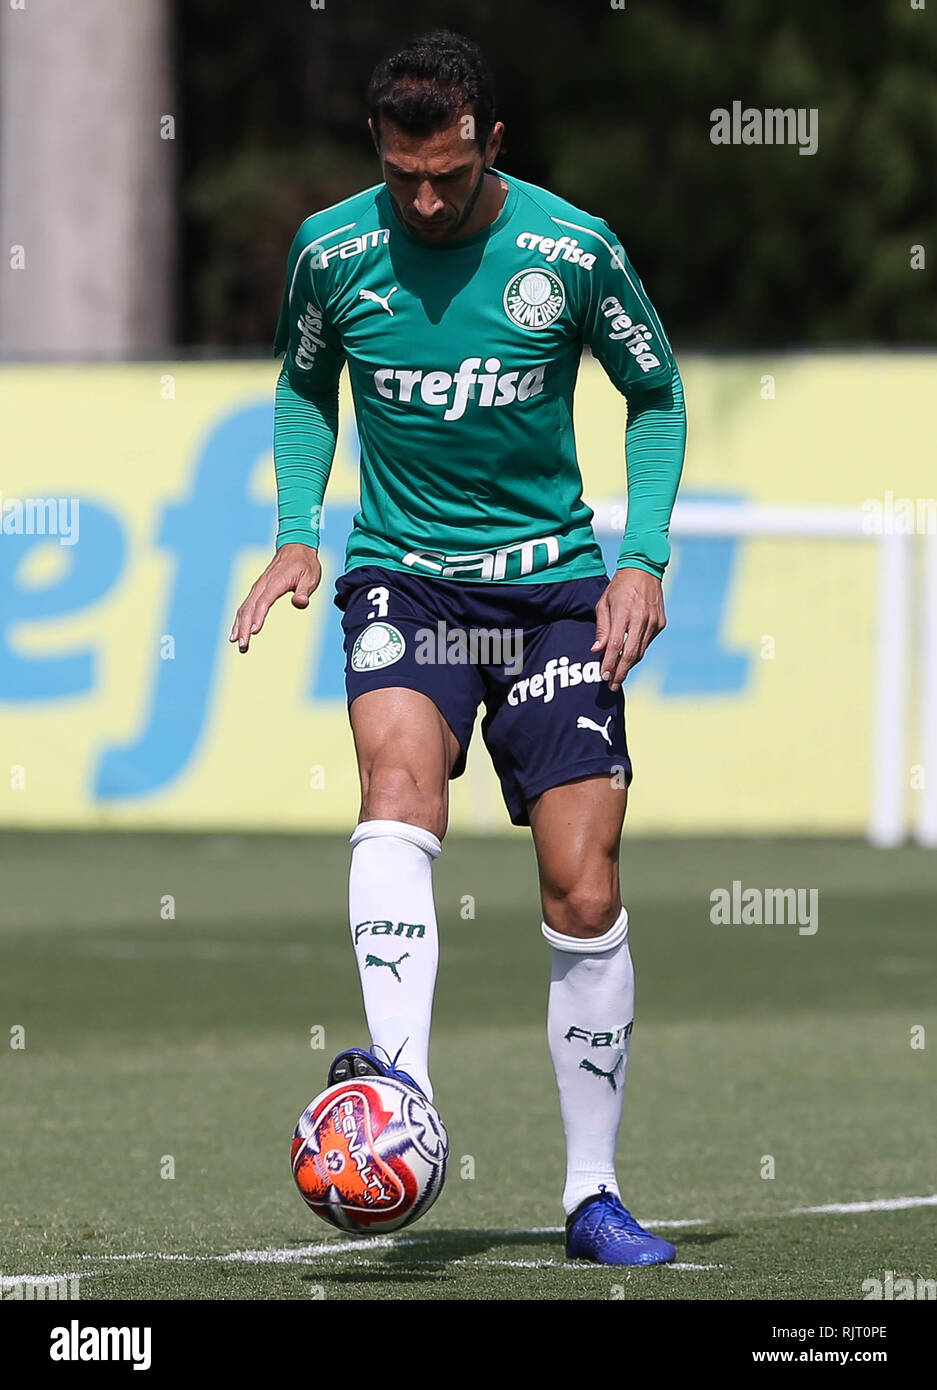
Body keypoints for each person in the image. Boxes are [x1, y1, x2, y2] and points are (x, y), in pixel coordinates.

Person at [230, 29, 686, 1266]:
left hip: (550, 590)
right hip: (404, 581)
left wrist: (639, 554)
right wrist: (294, 532)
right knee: (393, 788)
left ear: (492, 142)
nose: (423, 200)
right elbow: (298, 385)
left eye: (446, 174)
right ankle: (402, 1098)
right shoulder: (333, 250)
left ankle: (591, 1192)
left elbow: (655, 393)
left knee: (583, 890)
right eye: (400, 175)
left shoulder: (569, 247)